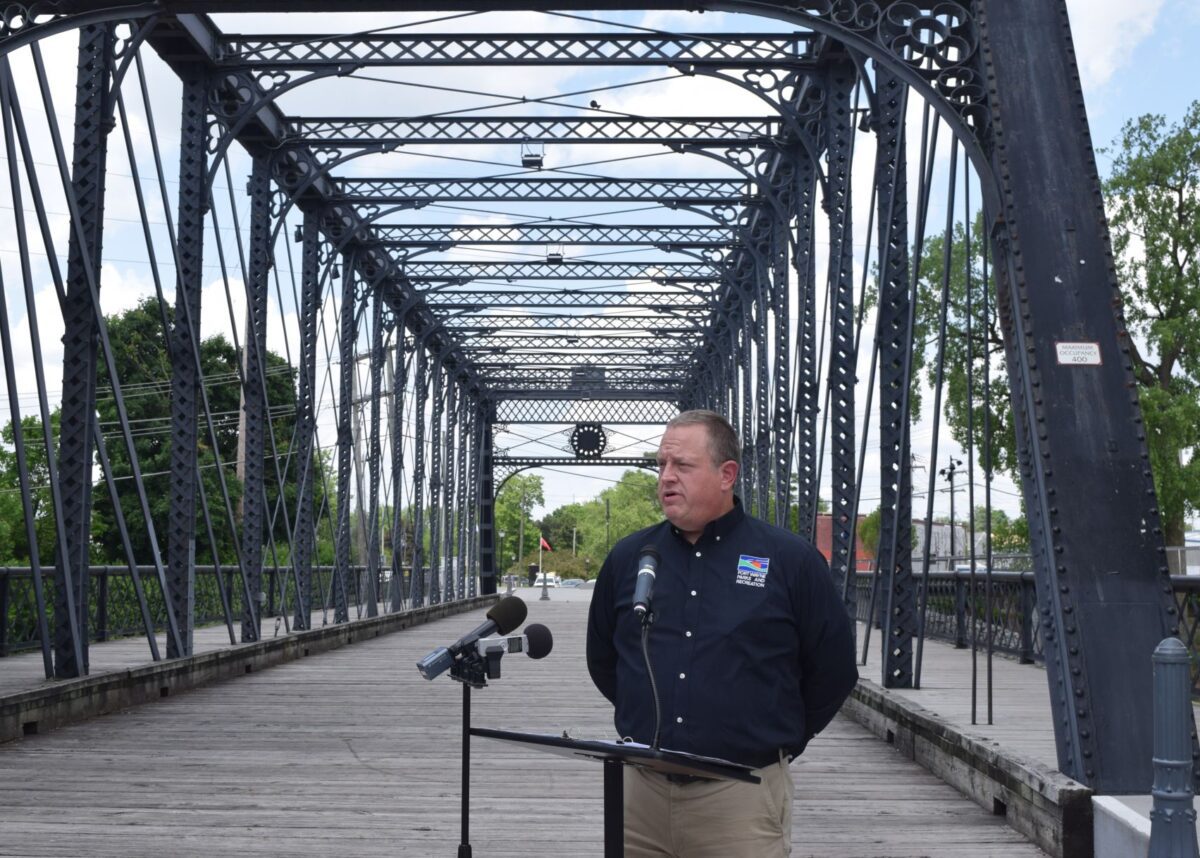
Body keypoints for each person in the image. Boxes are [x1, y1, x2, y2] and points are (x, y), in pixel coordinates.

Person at [586, 409, 858, 857]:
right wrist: (654, 712)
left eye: (683, 466)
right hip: (639, 798)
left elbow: (833, 670)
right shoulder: (630, 557)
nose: (666, 478)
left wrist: (778, 739)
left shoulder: (790, 561)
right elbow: (605, 660)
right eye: (661, 466)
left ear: (727, 473)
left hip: (740, 799)